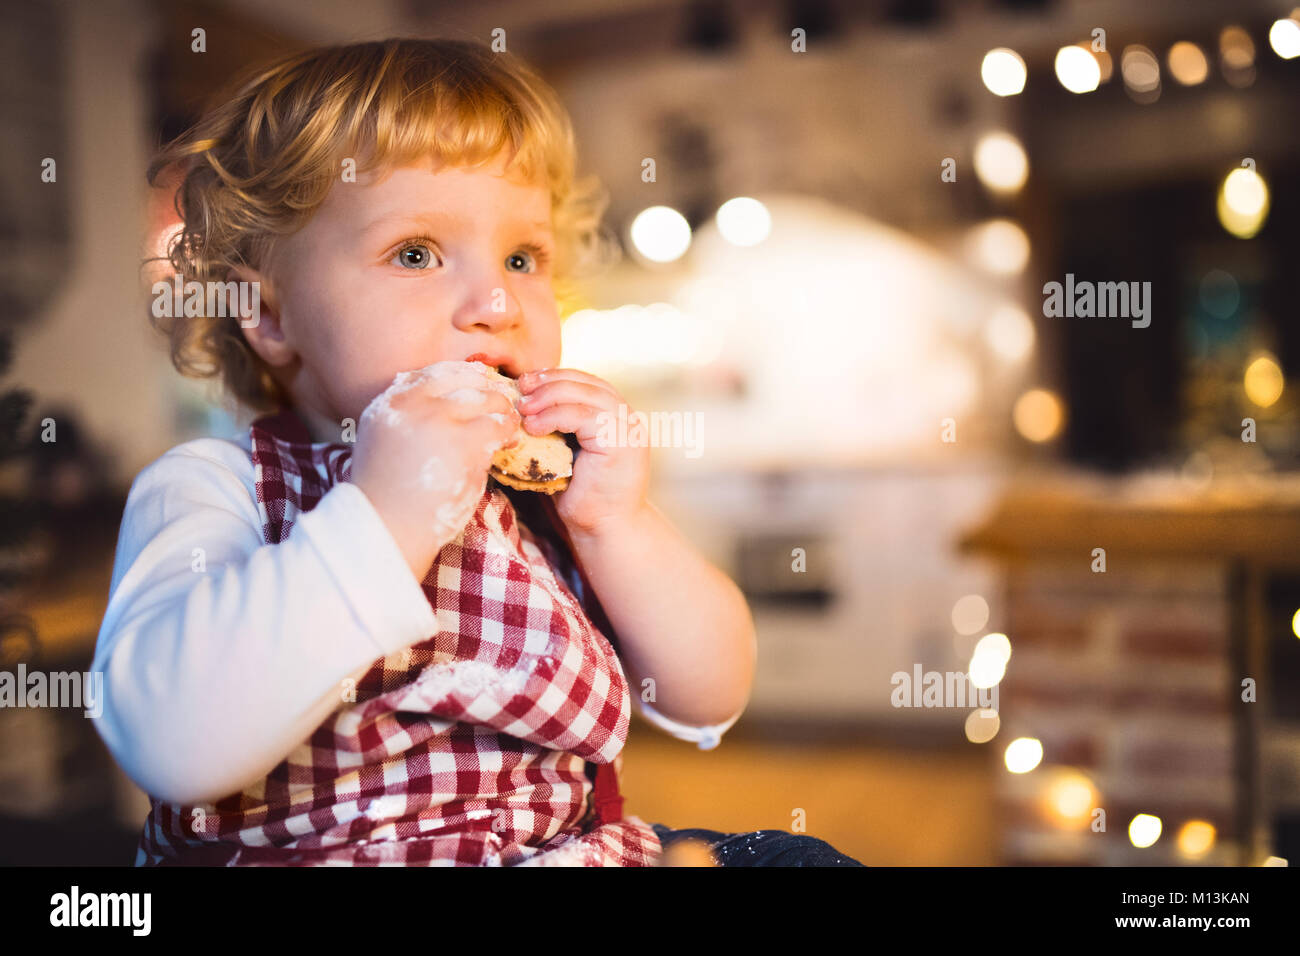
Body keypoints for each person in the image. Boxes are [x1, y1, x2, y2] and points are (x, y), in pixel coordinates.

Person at [92, 37, 863, 867]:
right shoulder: (217, 488)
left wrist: (617, 524)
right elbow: (170, 743)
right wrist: (387, 512)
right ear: (270, 315)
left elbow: (711, 698)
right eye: (416, 253)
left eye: (523, 258)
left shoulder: (541, 499)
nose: (496, 302)